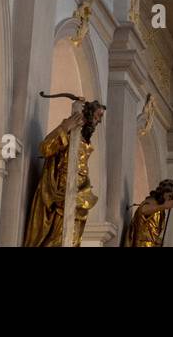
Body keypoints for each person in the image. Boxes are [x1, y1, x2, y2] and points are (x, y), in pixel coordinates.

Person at [24, 96, 106, 246]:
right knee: (57, 238)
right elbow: (45, 148)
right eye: (97, 116)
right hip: (60, 196)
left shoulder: (85, 141)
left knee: (72, 239)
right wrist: (65, 127)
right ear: (87, 114)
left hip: (79, 197)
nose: (98, 121)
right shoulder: (69, 134)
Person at [125, 179, 173, 247]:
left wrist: (157, 241)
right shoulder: (152, 202)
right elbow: (143, 210)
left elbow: (152, 233)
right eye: (170, 196)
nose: (171, 201)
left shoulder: (161, 211)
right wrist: (164, 206)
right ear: (162, 192)